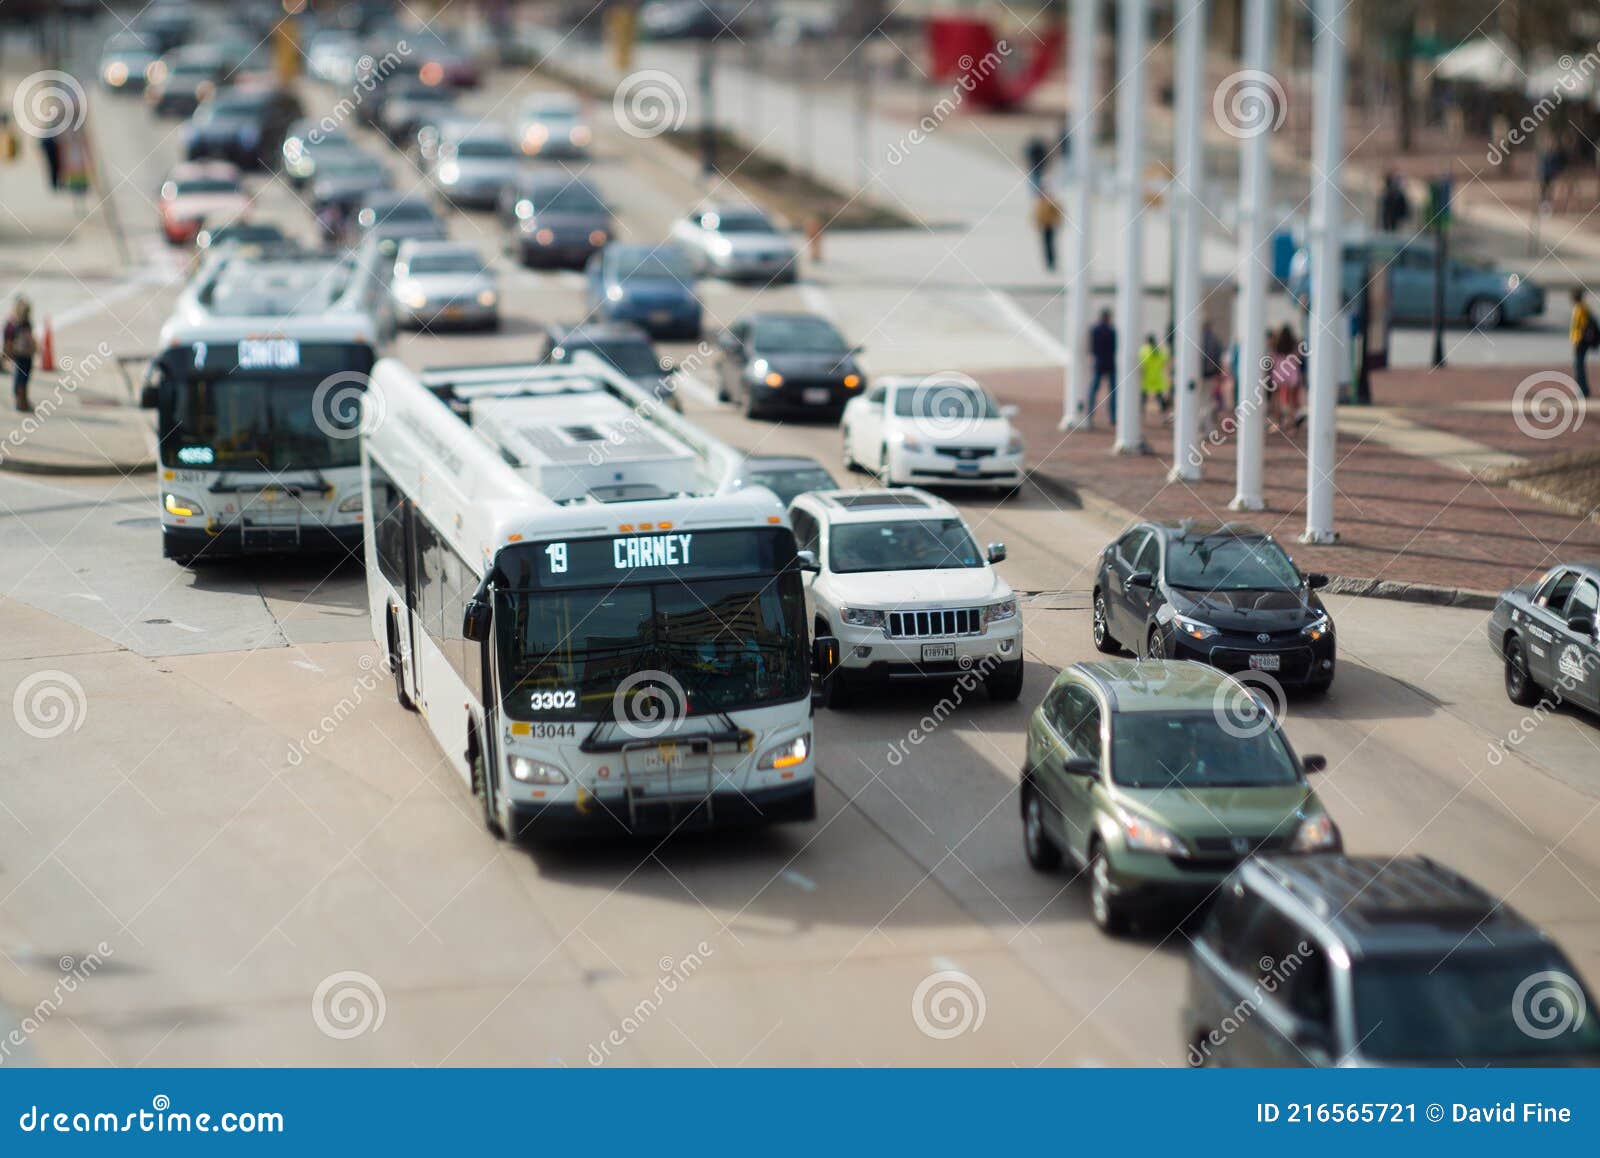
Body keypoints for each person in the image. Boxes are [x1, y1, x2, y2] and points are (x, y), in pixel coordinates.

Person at [3, 296, 37, 412]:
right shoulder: (26, 324)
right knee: (24, 378)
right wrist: (37, 348)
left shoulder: (11, 323)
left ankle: (20, 401)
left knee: (18, 377)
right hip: (26, 355)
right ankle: (22, 402)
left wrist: (6, 354)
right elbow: (31, 339)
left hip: (17, 354)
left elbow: (7, 340)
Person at [1268, 324, 1303, 429]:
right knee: (1292, 400)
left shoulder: (1276, 344)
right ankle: (1291, 422)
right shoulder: (1294, 345)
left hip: (1279, 371)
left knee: (1276, 398)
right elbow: (1298, 356)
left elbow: (1271, 357)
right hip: (1292, 371)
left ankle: (1278, 422)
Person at [1087, 309, 1116, 427]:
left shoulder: (1095, 330)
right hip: (1110, 363)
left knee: (1093, 390)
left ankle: (1089, 414)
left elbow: (1092, 347)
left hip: (1099, 362)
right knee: (1113, 392)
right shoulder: (1112, 331)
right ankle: (1113, 416)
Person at [1571, 288, 1597, 399]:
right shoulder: (1584, 307)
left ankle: (1582, 390)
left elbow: (1580, 327)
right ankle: (1584, 389)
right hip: (1581, 342)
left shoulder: (1579, 309)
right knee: (1579, 366)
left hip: (1580, 342)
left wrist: (1577, 341)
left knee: (1579, 367)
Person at [1138, 333, 1170, 419]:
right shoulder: (1160, 351)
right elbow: (1165, 360)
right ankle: (1165, 416)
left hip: (1146, 377)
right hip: (1157, 377)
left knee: (1143, 399)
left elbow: (1141, 363)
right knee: (1159, 398)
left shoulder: (1143, 350)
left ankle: (1140, 415)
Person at [1032, 191, 1061, 271]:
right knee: (1046, 245)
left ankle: (1052, 262)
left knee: (1050, 244)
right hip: (1044, 227)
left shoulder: (1052, 204)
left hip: (1050, 226)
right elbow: (1037, 215)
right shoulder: (1040, 204)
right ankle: (1048, 262)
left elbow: (1057, 214)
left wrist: (1057, 223)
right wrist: (1037, 224)